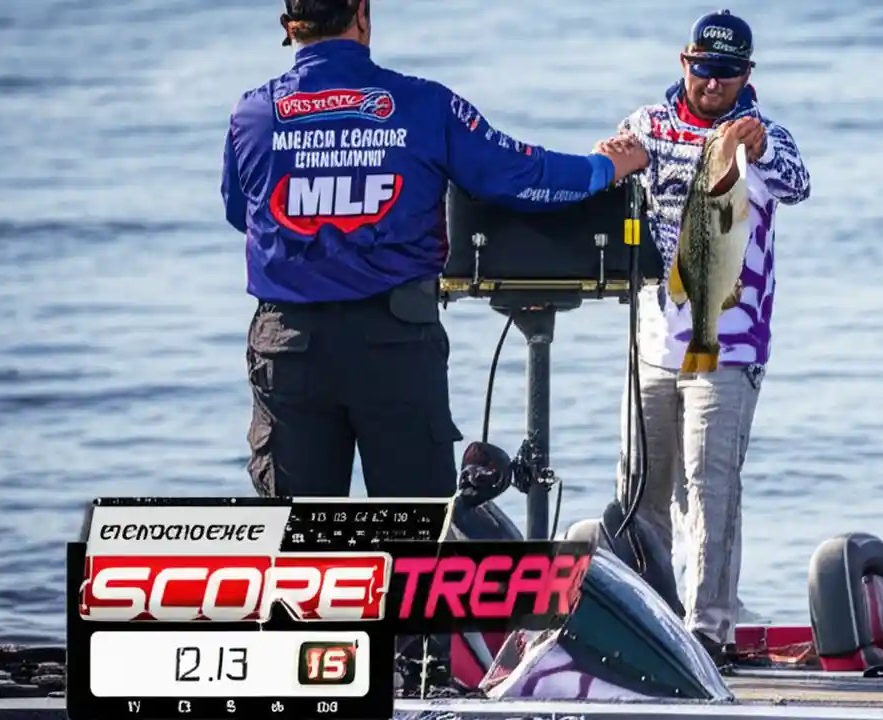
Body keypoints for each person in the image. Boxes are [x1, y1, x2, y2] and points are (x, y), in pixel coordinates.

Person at [220, 0, 646, 696]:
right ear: (362, 15)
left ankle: (306, 685)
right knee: (412, 537)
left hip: (287, 345)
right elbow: (517, 174)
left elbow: (243, 208)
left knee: (300, 535)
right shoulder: (420, 105)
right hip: (393, 342)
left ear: (287, 23)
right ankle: (415, 685)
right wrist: (604, 167)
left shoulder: (252, 113)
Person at [600, 9, 811, 662]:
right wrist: (605, 166)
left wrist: (761, 149)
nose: (711, 84)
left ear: (747, 75)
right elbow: (602, 191)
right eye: (701, 69)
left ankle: (707, 631)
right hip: (651, 343)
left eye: (725, 72)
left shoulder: (761, 135)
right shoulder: (648, 124)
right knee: (642, 489)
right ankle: (647, 622)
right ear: (682, 63)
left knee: (709, 487)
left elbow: (799, 185)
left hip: (729, 344)